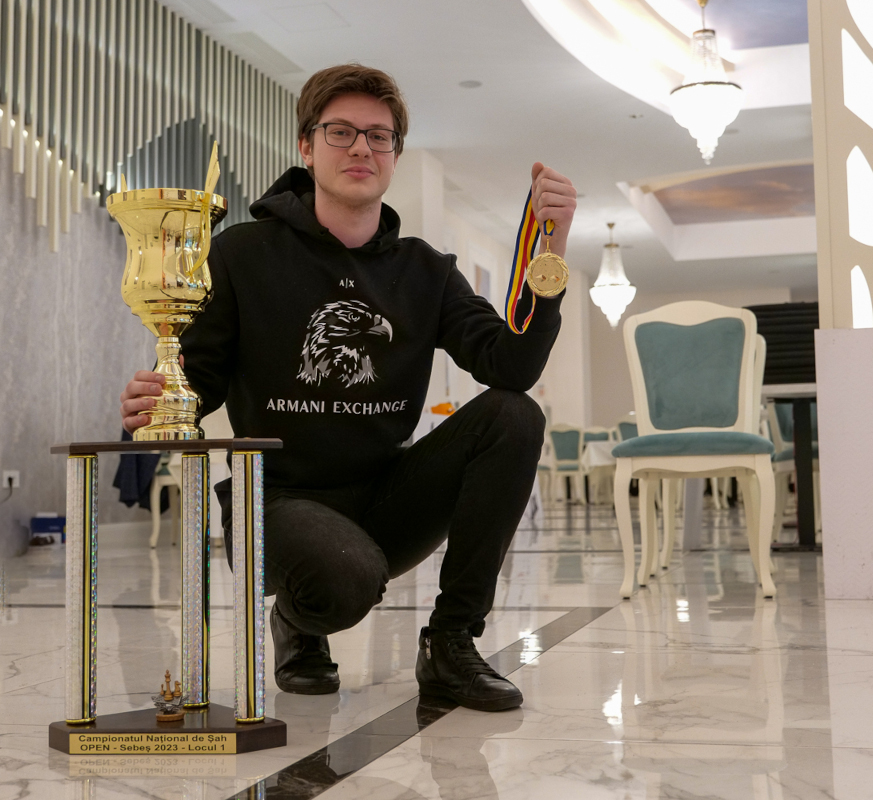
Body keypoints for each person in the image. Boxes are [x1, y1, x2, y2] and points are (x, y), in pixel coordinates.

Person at [118, 64, 575, 712]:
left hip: (384, 499)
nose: (362, 147)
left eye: (379, 136)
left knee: (515, 414)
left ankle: (450, 643)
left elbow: (511, 367)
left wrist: (549, 255)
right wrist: (157, 404)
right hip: (273, 502)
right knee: (345, 577)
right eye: (341, 132)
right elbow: (199, 386)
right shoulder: (241, 254)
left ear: (395, 155)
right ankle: (297, 618)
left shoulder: (427, 271)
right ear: (306, 147)